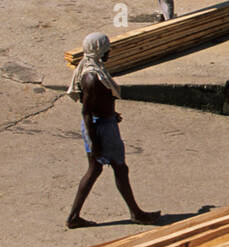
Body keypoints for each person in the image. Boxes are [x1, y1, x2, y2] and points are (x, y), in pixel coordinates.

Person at [66, 33, 160, 228]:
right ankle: (136, 213)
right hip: (101, 127)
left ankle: (74, 217)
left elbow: (98, 103)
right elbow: (86, 112)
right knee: (119, 168)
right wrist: (95, 143)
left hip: (103, 122)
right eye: (106, 48)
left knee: (95, 169)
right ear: (99, 50)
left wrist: (112, 113)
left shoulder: (93, 69)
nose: (109, 51)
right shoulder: (92, 78)